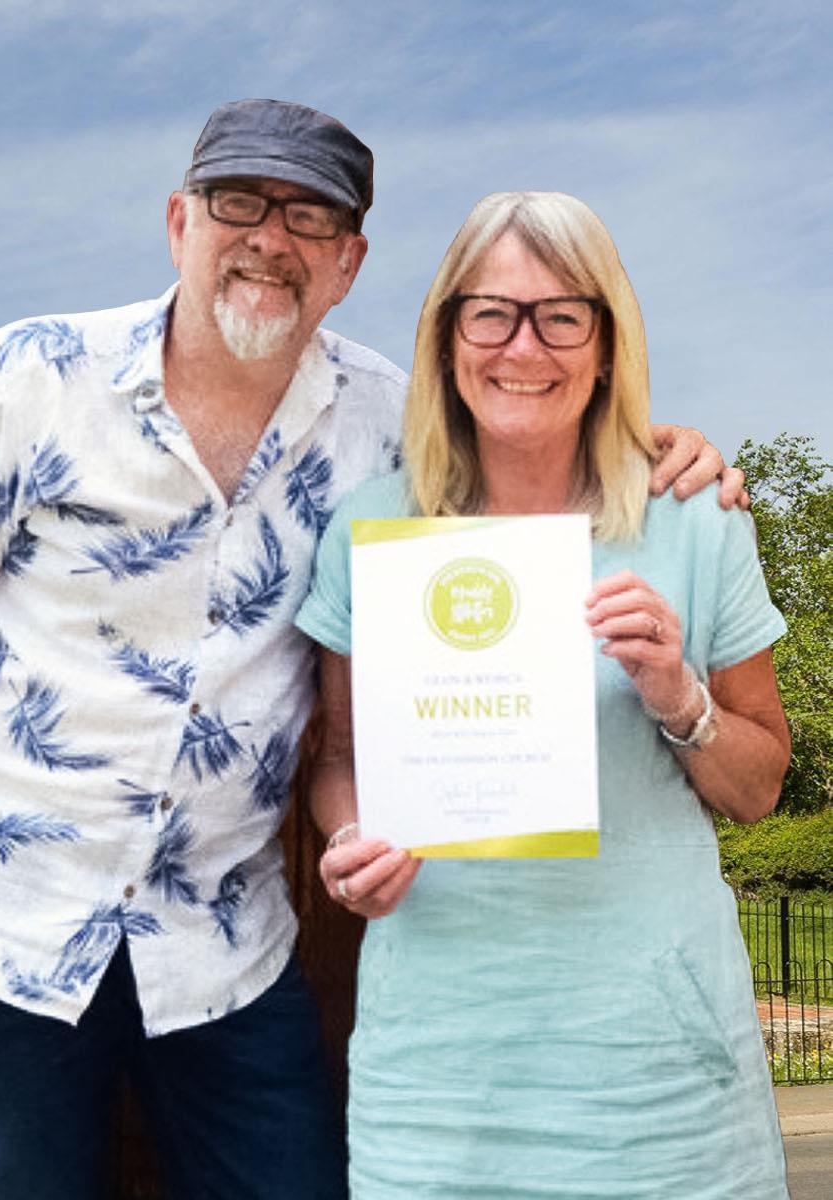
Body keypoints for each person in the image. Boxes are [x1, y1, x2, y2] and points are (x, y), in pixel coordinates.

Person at [0, 100, 742, 1200]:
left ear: (350, 262)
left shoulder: (384, 420)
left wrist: (663, 444)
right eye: (240, 203)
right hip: (11, 936)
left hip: (228, 949)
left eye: (311, 218)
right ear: (180, 219)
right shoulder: (23, 377)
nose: (272, 239)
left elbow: (535, 413)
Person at [296, 190, 790, 1198]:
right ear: (447, 337)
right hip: (441, 1060)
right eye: (491, 312)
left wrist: (679, 695)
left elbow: (760, 786)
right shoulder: (371, 527)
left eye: (563, 314)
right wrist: (349, 842)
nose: (524, 345)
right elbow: (340, 757)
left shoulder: (693, 519)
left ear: (607, 343)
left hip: (656, 1061)